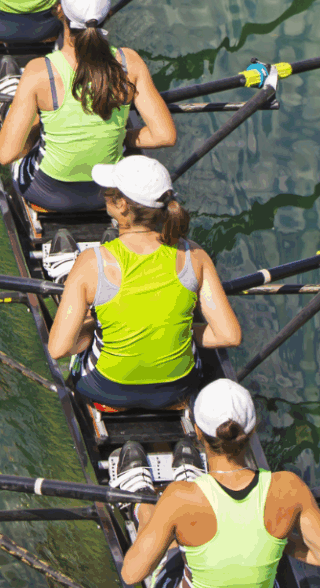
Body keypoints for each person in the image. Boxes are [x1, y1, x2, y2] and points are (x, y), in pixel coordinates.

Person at [114, 379, 320, 588]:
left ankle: (140, 504)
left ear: (197, 432)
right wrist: (282, 543)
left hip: (186, 573)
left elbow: (131, 574)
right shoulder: (290, 487)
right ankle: (190, 479)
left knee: (167, 538)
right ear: (252, 430)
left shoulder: (179, 498)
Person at [46, 156, 241, 410]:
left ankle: (65, 280)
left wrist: (92, 326)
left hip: (106, 388)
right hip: (178, 388)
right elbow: (228, 335)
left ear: (123, 205)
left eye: (108, 191)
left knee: (83, 331)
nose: (103, 194)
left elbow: (58, 349)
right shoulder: (194, 255)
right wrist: (168, 331)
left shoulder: (90, 263)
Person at [0, 0, 176, 211]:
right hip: (108, 191)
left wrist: (36, 129)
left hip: (46, 192)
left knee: (20, 115)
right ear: (108, 15)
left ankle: (8, 93)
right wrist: (124, 136)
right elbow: (164, 136)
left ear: (60, 11)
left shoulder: (39, 71)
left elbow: (6, 155)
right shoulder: (129, 63)